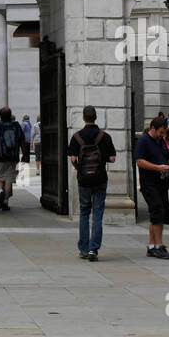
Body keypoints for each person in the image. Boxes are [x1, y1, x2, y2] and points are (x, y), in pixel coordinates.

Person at [67, 106, 116, 261]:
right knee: (97, 213)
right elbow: (113, 158)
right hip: (100, 178)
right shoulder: (105, 136)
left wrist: (79, 168)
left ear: (83, 118)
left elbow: (73, 159)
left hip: (84, 180)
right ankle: (93, 249)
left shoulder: (77, 137)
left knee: (84, 212)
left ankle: (83, 248)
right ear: (96, 117)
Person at [134, 116, 169, 259]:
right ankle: (158, 246)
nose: (163, 135)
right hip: (149, 183)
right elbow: (139, 161)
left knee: (159, 213)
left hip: (161, 182)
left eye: (164, 133)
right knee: (157, 210)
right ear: (153, 129)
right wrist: (157, 167)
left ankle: (152, 246)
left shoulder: (161, 141)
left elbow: (166, 156)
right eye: (161, 132)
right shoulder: (143, 141)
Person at [0, 107, 21, 211]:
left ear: (0, 115)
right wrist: (25, 154)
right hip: (12, 156)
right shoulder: (16, 125)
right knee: (9, 180)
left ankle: (0, 191)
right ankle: (6, 201)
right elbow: (22, 140)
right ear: (10, 114)